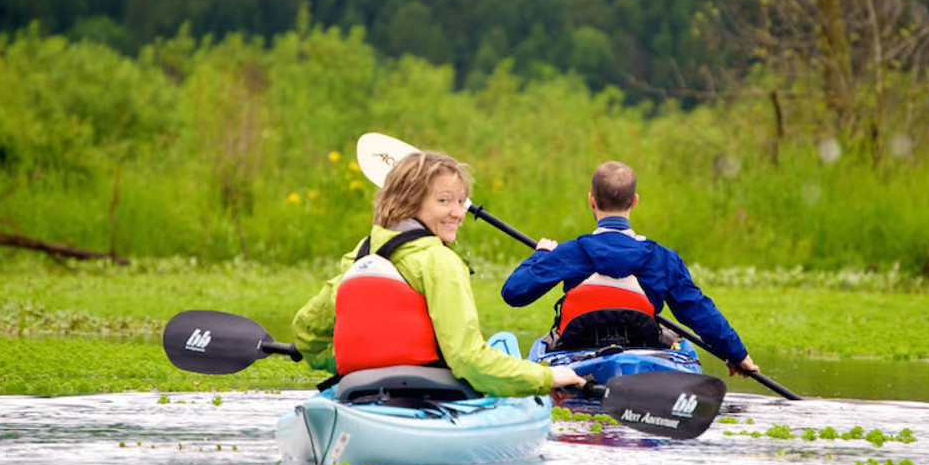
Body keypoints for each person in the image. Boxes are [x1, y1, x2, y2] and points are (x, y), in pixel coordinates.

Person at [291, 149, 586, 398]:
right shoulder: (439, 262)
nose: (458, 213)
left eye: (460, 201)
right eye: (444, 201)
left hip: (356, 394)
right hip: (426, 398)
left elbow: (306, 334)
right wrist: (547, 377)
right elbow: (468, 360)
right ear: (409, 201)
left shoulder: (361, 256)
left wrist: (354, 369)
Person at [501, 160, 759, 377]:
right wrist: (737, 353)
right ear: (634, 201)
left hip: (576, 353)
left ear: (591, 201)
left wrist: (541, 255)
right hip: (643, 353)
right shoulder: (663, 258)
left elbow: (514, 292)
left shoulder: (570, 253)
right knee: (677, 342)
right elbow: (699, 311)